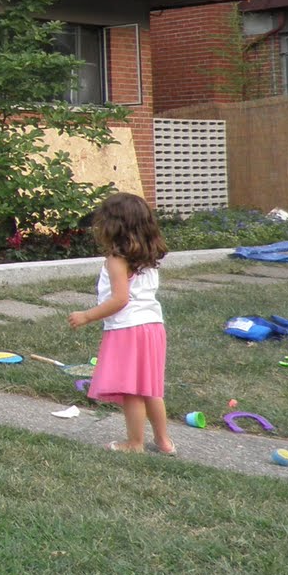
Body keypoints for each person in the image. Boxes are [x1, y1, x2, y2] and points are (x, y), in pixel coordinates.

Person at [69, 192, 174, 455]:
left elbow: (119, 300)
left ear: (112, 225)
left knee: (132, 391)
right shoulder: (148, 257)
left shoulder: (117, 259)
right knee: (151, 389)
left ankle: (134, 443)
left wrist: (87, 315)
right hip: (153, 327)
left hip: (128, 330)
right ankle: (164, 442)